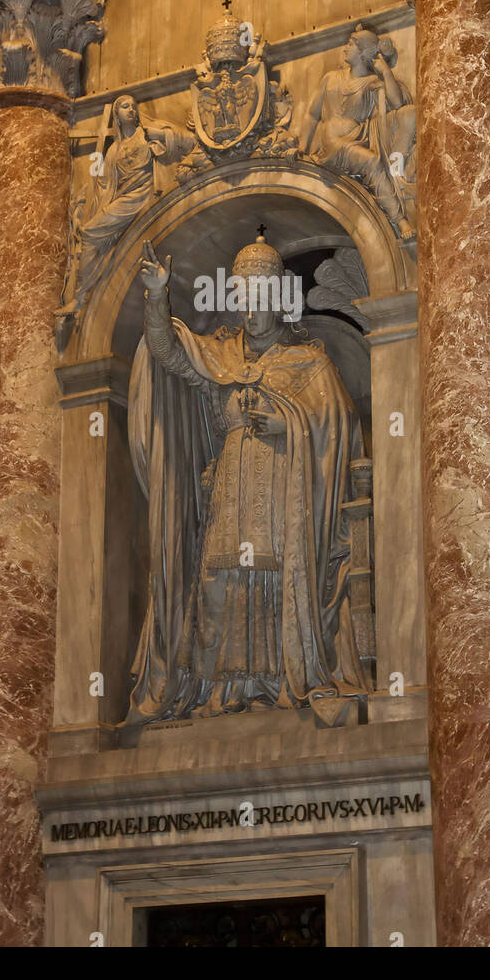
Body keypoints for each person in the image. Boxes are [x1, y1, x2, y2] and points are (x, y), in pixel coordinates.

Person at [125, 232, 370, 725]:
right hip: (230, 492)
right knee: (220, 580)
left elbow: (341, 432)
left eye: (261, 302)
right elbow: (169, 353)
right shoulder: (221, 356)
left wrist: (292, 426)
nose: (252, 314)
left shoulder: (312, 363)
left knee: (276, 577)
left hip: (287, 494)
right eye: (244, 303)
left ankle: (281, 682)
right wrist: (156, 295)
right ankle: (222, 693)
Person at [57, 94, 194, 328]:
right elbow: (105, 186)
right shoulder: (113, 151)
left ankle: (79, 298)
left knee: (90, 233)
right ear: (117, 116)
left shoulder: (147, 133)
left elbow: (188, 142)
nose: (131, 109)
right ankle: (81, 296)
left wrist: (162, 135)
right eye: (125, 106)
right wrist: (85, 202)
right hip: (123, 199)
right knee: (89, 232)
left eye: (133, 106)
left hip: (143, 195)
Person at [299, 25, 416, 237]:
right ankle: (400, 221)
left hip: (358, 137)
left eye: (351, 43)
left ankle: (398, 188)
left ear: (363, 52)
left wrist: (386, 71)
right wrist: (301, 149)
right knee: (372, 162)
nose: (345, 47)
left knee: (407, 117)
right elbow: (311, 116)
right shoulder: (331, 78)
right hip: (333, 142)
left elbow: (397, 102)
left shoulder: (371, 81)